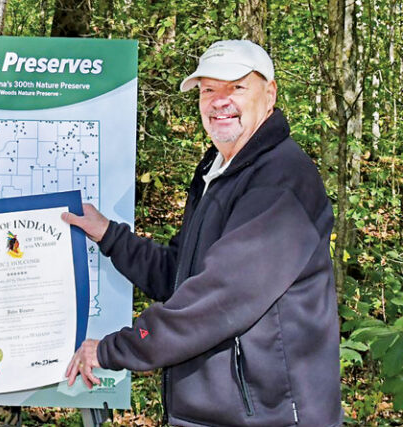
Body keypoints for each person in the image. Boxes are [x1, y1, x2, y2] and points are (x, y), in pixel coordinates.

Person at [63, 40, 342, 426]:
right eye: (209, 89)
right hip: (218, 413)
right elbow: (178, 274)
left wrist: (112, 350)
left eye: (237, 87)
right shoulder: (219, 169)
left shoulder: (281, 181)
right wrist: (107, 234)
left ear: (270, 94)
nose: (220, 101)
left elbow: (216, 301)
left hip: (268, 416)